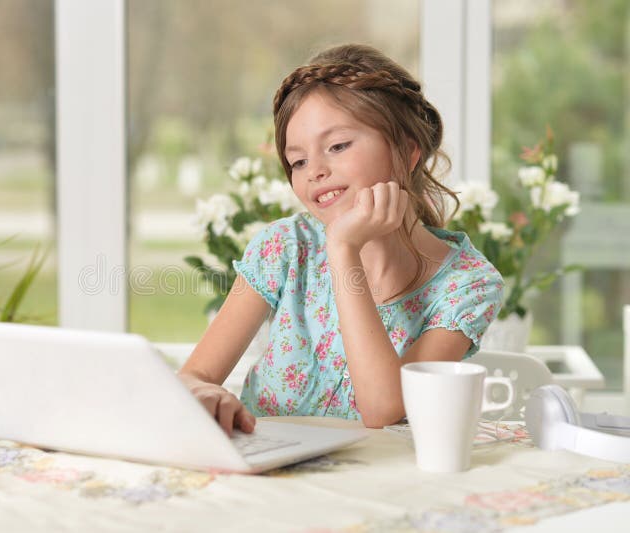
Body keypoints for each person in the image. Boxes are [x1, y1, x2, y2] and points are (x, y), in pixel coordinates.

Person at [178, 43, 503, 435]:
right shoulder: (283, 247)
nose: (314, 170)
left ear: (407, 151)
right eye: (298, 161)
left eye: (337, 146)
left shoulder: (466, 285)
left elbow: (383, 409)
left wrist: (343, 249)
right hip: (264, 473)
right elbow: (194, 376)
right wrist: (204, 393)